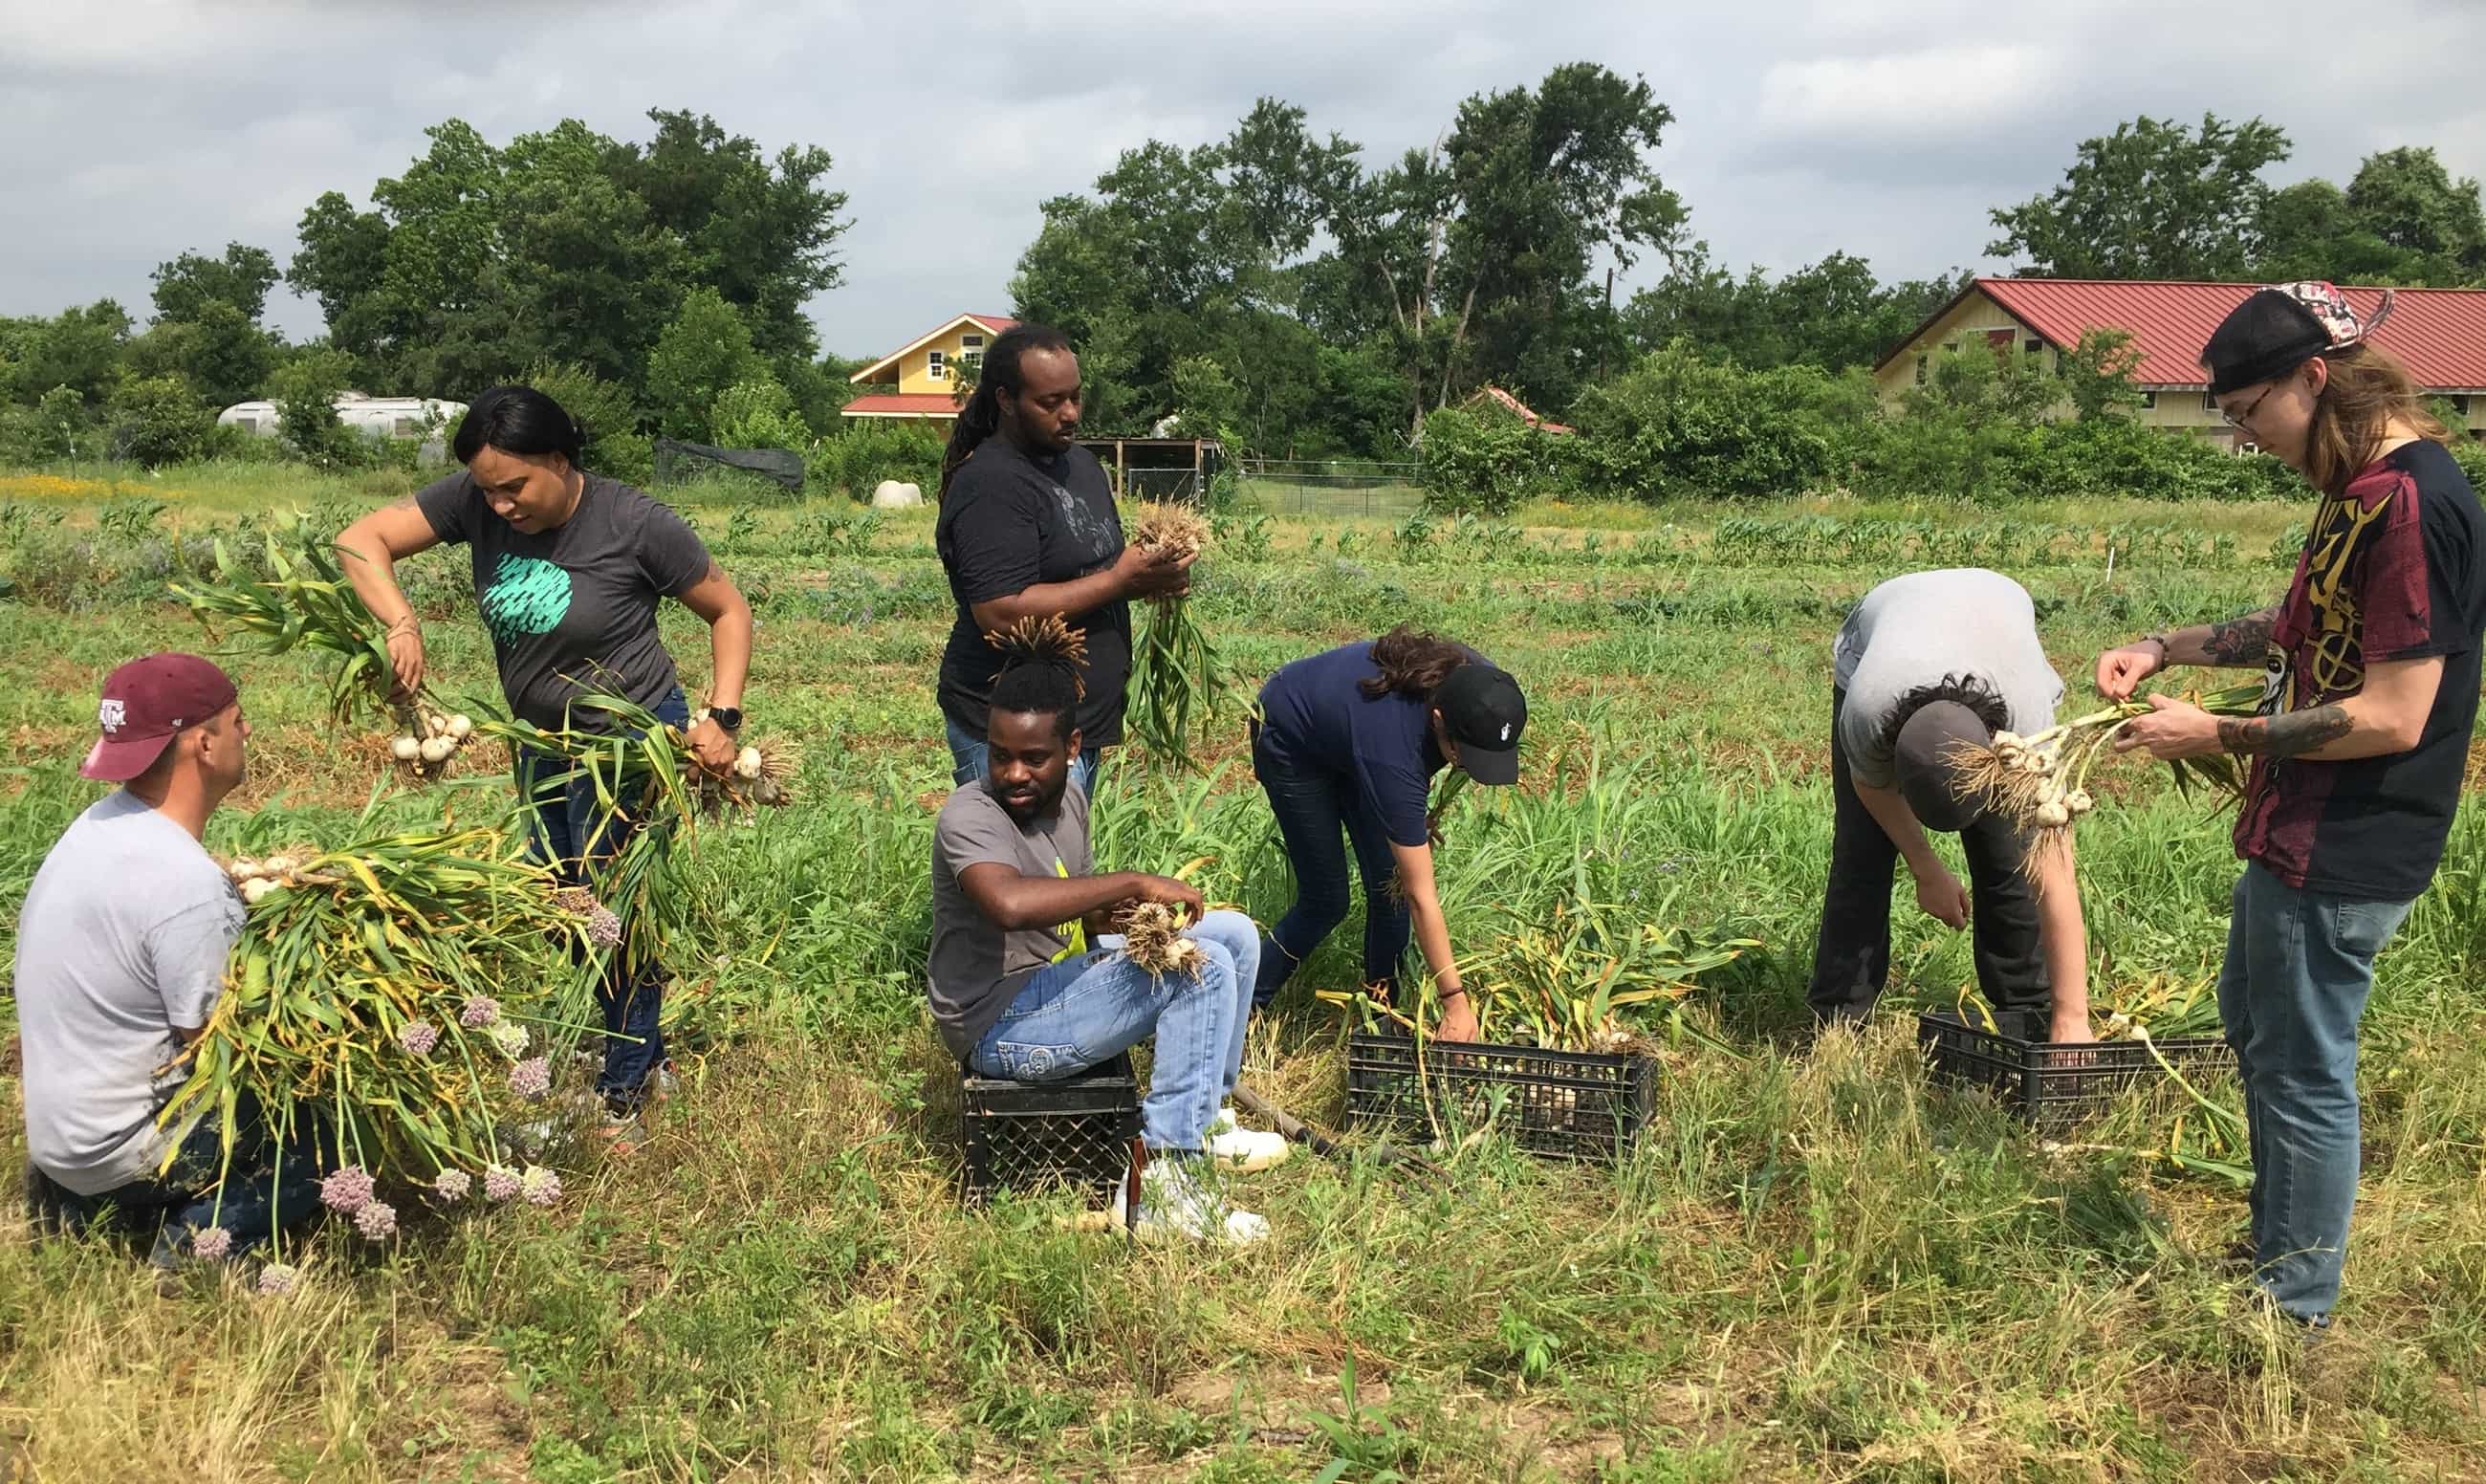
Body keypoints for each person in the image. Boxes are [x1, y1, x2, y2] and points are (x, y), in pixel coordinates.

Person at [2097, 281, 2485, 1328]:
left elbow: (2394, 714)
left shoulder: (2410, 504)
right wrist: (2167, 645)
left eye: (2246, 414)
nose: (2245, 439)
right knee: (2256, 1028)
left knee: (2304, 1066)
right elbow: (2299, 620)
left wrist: (2210, 732)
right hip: (2295, 825)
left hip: (2346, 837)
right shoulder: (2361, 490)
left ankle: (2292, 1304)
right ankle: (2278, 1250)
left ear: (2314, 378)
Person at [338, 384, 754, 1136]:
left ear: (560, 461)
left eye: (515, 488)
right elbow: (357, 540)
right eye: (487, 491)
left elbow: (729, 610)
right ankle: (645, 1058)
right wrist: (400, 622)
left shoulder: (636, 523)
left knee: (611, 915)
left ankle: (625, 1091)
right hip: (539, 745)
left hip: (627, 748)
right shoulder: (474, 499)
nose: (499, 507)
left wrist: (721, 717)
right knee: (564, 913)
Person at [927, 640, 1290, 1244]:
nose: (1014, 774)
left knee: (1231, 937)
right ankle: (1166, 1187)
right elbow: (1010, 905)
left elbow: (1076, 912)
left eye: (1033, 758)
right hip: (1000, 1024)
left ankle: (1205, 1121)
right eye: (999, 756)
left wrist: (1129, 918)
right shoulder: (970, 814)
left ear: (1071, 750)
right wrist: (1133, 881)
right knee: (1203, 971)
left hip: (1055, 986)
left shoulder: (1068, 799)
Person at [17, 655, 322, 1275]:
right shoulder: (184, 884)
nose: (248, 735)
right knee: (320, 1133)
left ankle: (81, 1209)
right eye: (239, 722)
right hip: (114, 1149)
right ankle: (195, 1248)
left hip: (59, 1142)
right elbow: (226, 1049)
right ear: (204, 743)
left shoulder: (96, 828)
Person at [1807, 570, 2094, 1043]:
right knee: (1862, 851)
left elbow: (2054, 871)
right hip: (1890, 616)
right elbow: (1873, 788)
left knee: (2009, 856)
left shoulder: (2029, 724)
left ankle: (2028, 1010)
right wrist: (1927, 870)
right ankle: (1840, 1019)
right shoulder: (1865, 712)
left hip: (1994, 610)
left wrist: (2074, 1018)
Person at [934, 323, 1192, 793]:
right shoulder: (991, 484)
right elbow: (999, 613)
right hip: (1015, 735)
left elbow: (1090, 571)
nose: (1069, 413)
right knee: (1019, 866)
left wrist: (1156, 576)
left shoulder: (1083, 466)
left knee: (1060, 865)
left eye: (1075, 397)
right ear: (1006, 400)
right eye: (1050, 403)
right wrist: (1120, 583)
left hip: (1071, 726)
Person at [1248, 629, 1530, 1038]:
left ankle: (1381, 1017)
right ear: (1438, 721)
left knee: (1388, 889)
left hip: (1352, 732)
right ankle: (1240, 1006)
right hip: (1290, 735)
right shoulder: (1393, 751)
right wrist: (1455, 1001)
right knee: (1326, 900)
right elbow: (1422, 895)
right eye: (1464, 757)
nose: (1467, 768)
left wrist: (1416, 813)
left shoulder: (1486, 690)